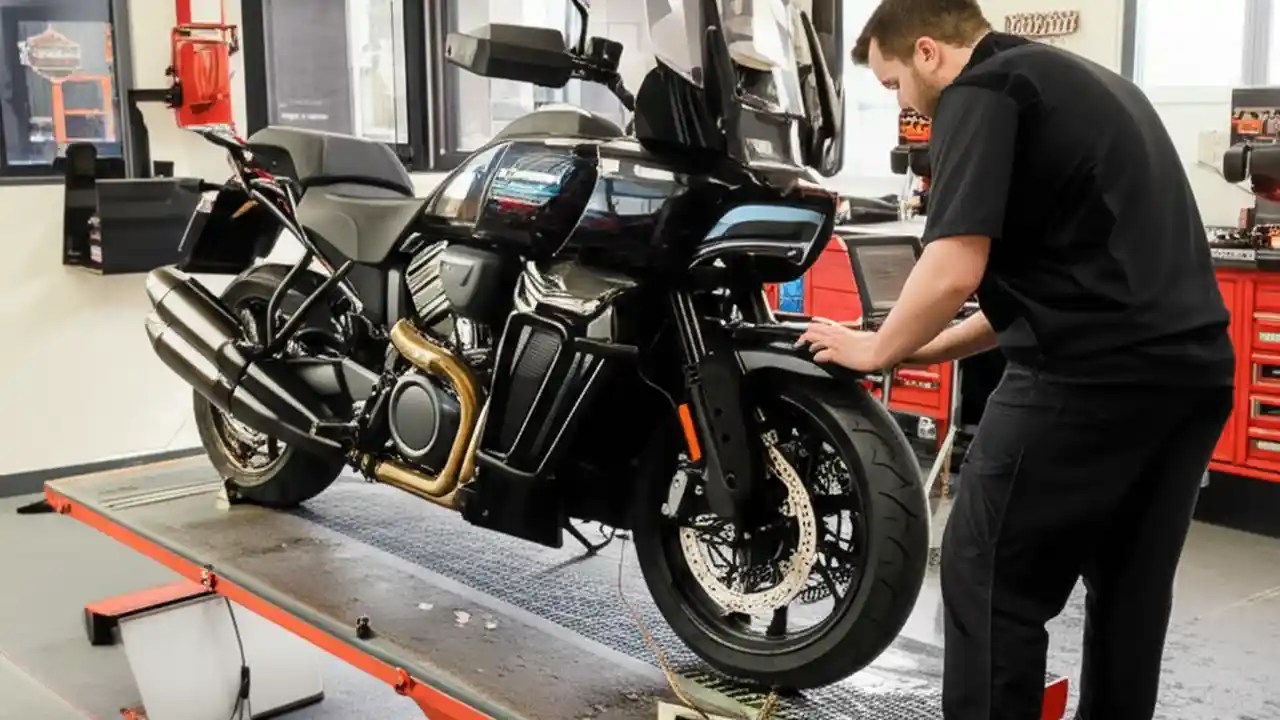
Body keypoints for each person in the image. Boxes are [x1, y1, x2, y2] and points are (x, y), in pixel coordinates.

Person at [796, 1, 1236, 718]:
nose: (904, 104)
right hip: (1189, 379)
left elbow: (951, 270)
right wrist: (925, 349)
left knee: (988, 579)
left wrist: (877, 347)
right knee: (1129, 593)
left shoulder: (980, 92)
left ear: (931, 53)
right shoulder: (1083, 81)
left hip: (1089, 380)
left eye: (892, 84)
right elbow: (1040, 294)